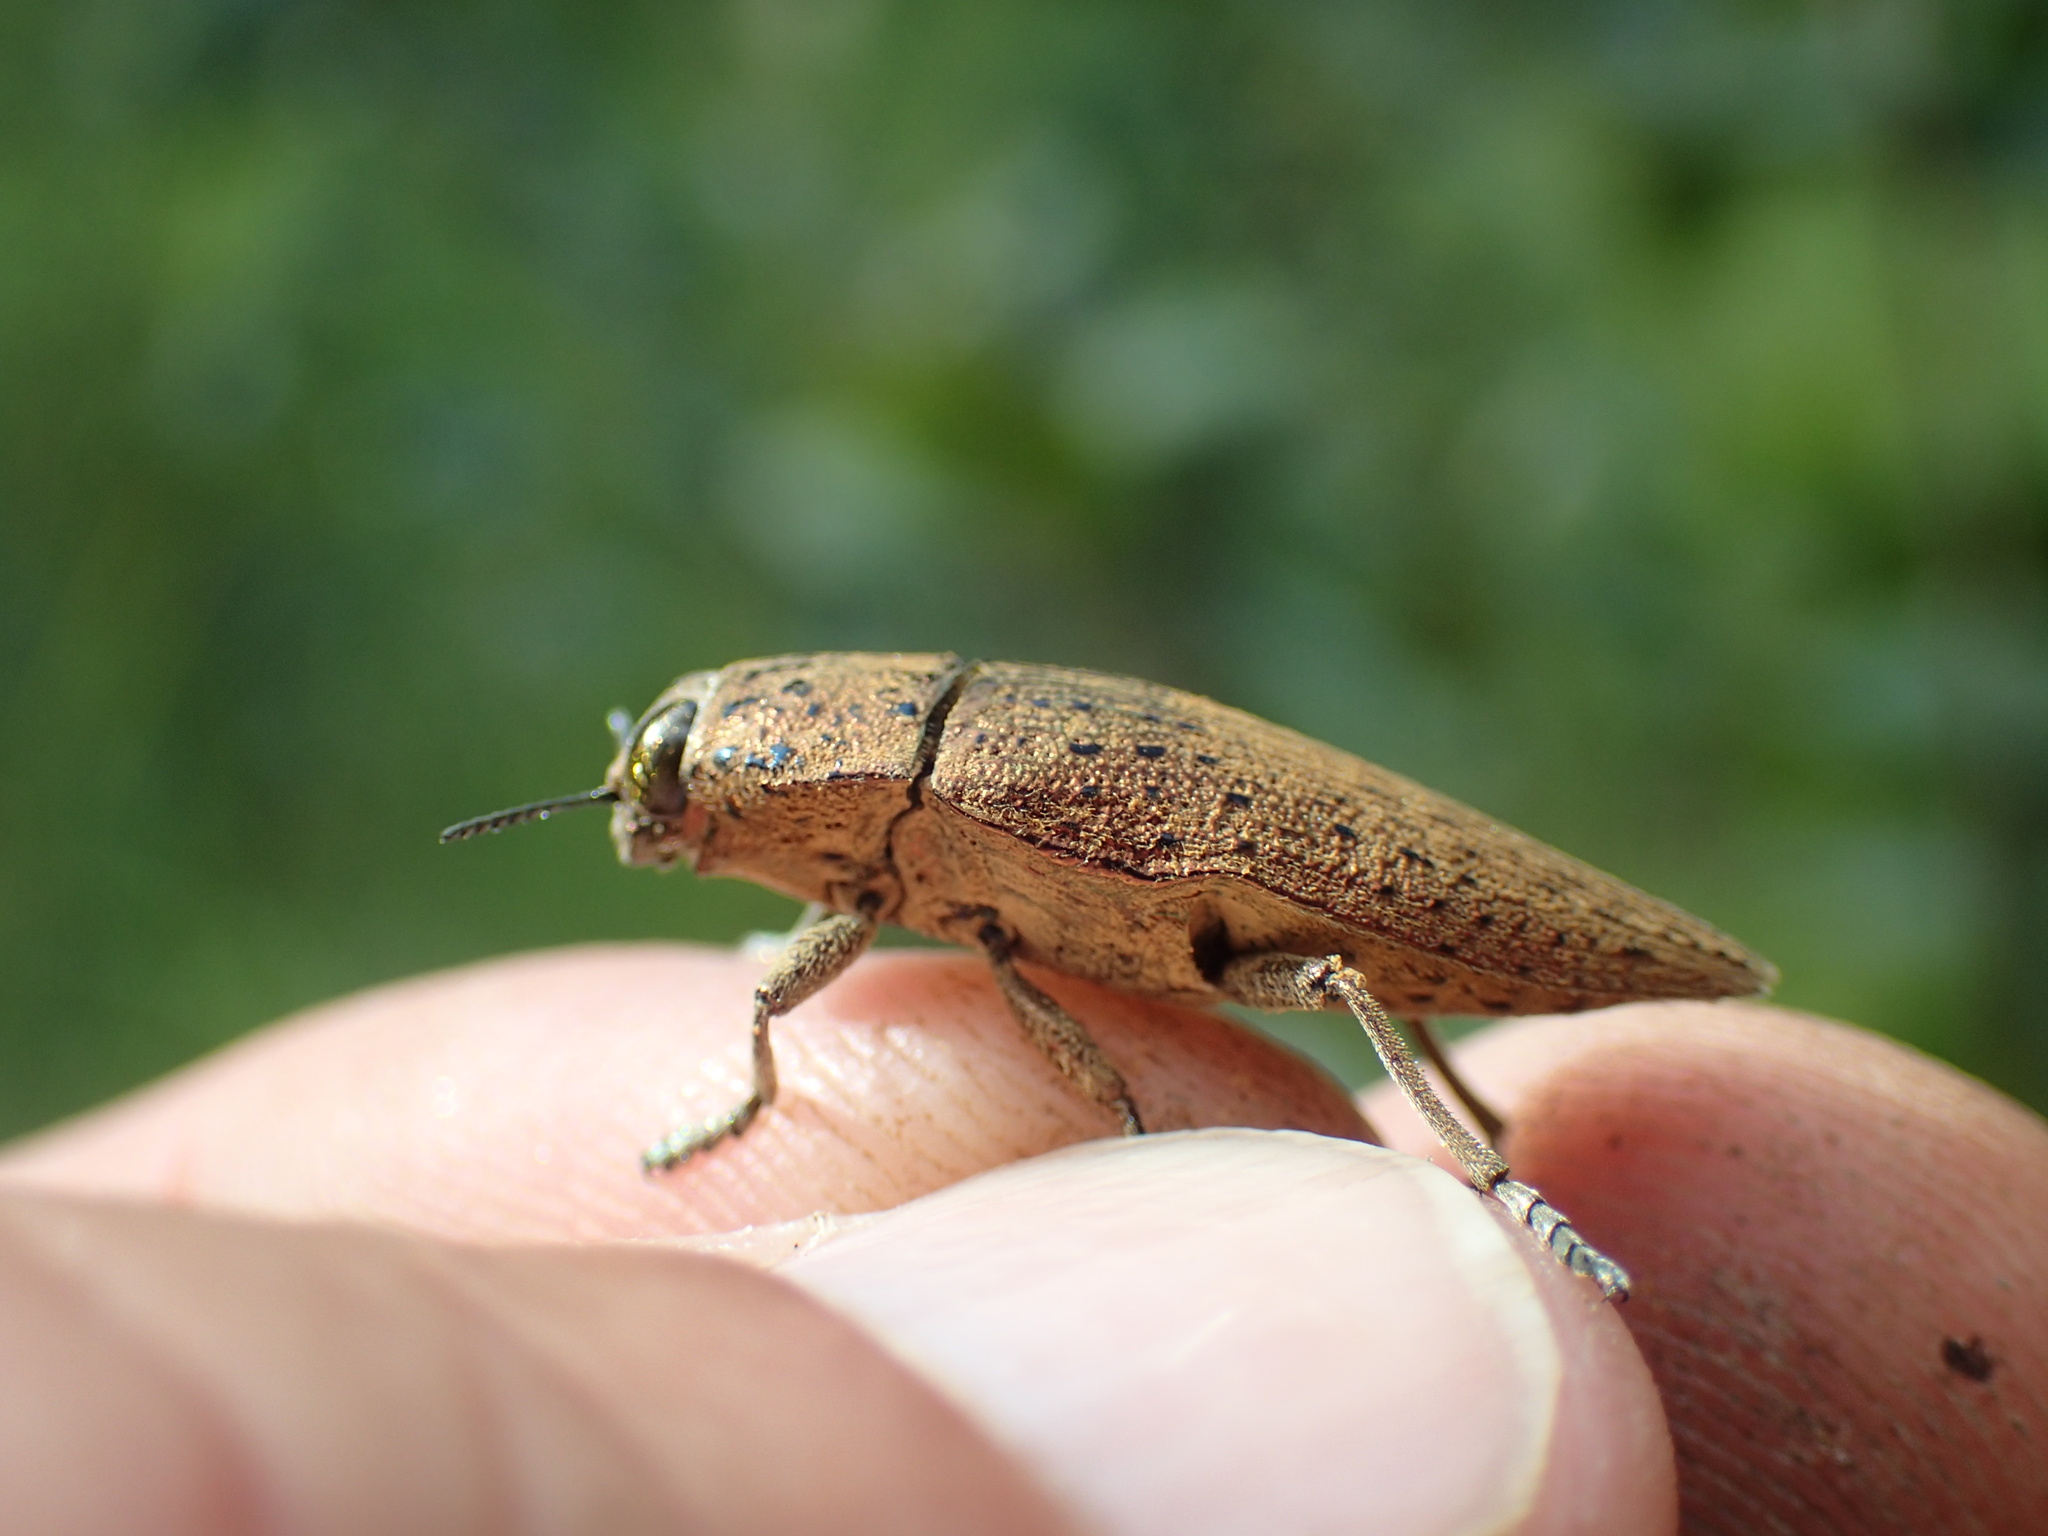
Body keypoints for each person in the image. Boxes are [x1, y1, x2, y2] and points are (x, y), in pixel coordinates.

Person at [2, 945, 2042, 1535]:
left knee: (1326, 960)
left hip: (1281, 888)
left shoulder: (928, 844)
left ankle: (1495, 1183)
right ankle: (1476, 1158)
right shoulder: (885, 869)